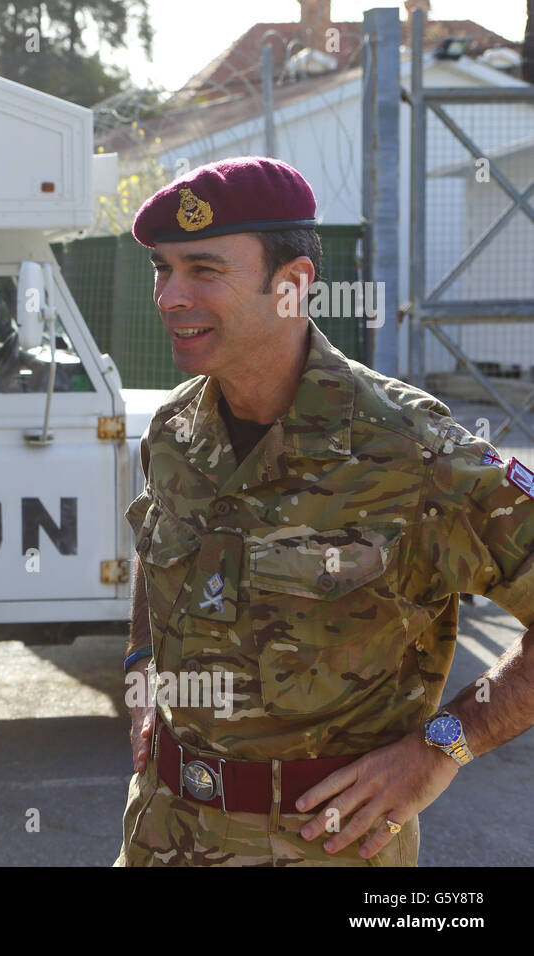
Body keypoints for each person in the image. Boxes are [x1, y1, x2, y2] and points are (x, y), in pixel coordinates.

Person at [117, 156, 534, 866]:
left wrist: (444, 747)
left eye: (203, 270)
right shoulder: (176, 430)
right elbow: (156, 559)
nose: (169, 295)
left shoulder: (414, 453)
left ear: (293, 286)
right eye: (162, 268)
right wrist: (142, 668)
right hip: (161, 835)